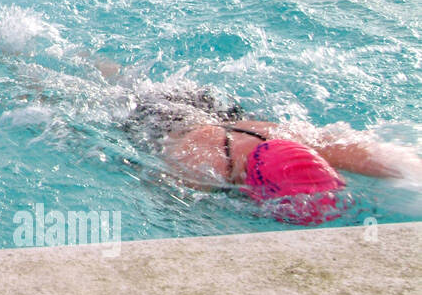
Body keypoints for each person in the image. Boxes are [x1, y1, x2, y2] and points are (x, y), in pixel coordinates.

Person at [120, 80, 421, 224]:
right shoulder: (196, 169)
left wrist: (410, 173)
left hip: (216, 113)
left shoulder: (291, 139)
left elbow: (380, 156)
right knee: (123, 90)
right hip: (159, 116)